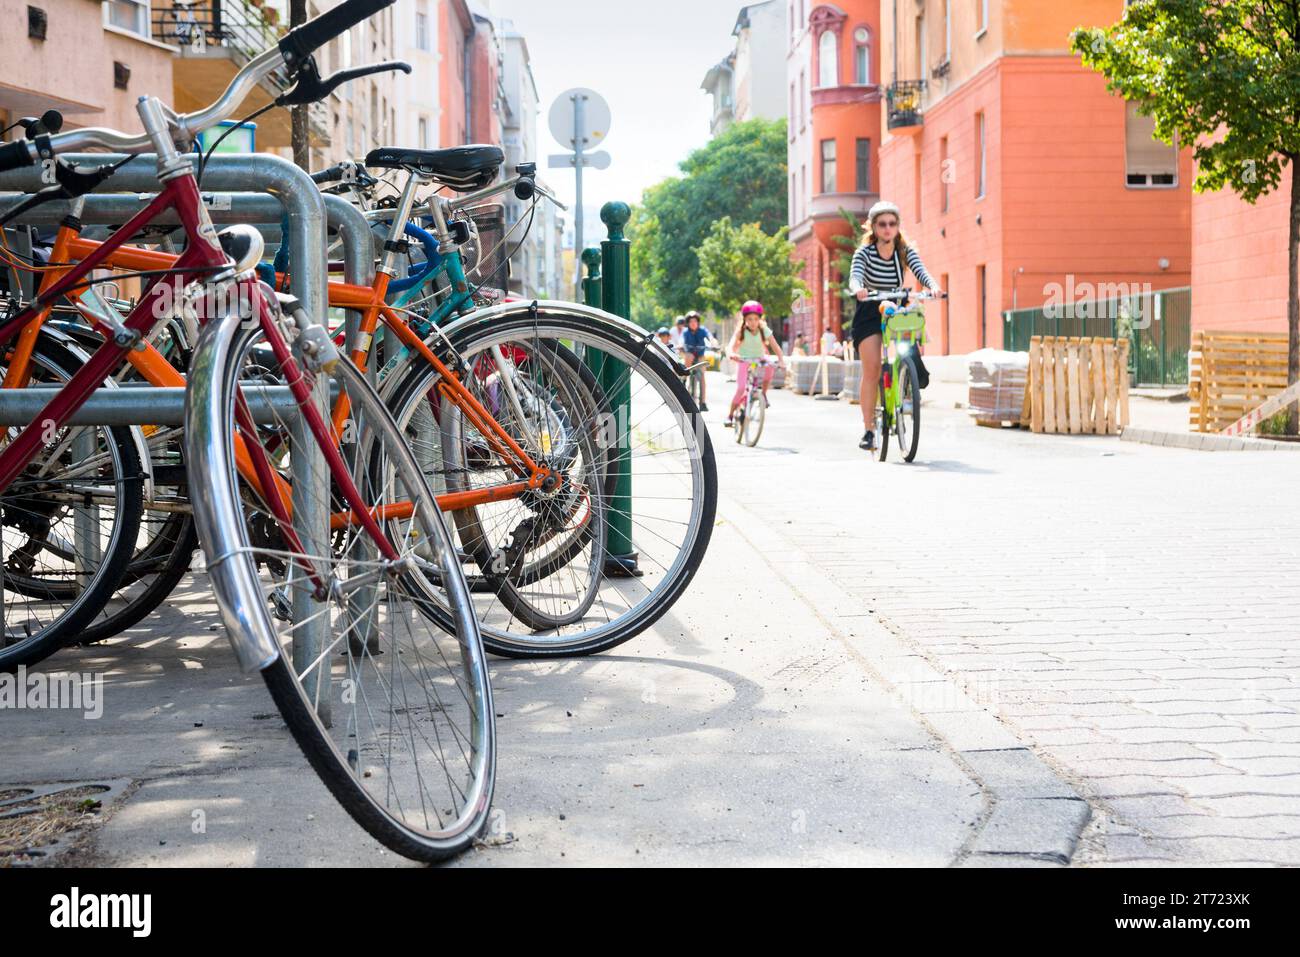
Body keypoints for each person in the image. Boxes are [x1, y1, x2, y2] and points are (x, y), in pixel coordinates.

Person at [848, 200, 946, 452]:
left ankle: (908, 376)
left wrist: (933, 287)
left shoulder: (904, 250)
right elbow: (856, 274)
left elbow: (921, 271)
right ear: (873, 227)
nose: (888, 228)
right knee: (871, 370)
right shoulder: (864, 253)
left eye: (892, 224)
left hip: (896, 305)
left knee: (907, 349)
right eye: (882, 224)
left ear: (897, 226)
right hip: (869, 307)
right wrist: (858, 288)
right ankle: (869, 429)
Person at [725, 300, 786, 427]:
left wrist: (781, 360)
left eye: (755, 319)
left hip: (759, 358)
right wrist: (731, 354)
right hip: (744, 360)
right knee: (741, 388)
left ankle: (763, 394)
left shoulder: (764, 330)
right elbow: (730, 346)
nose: (753, 322)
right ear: (745, 319)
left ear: (760, 319)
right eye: (749, 319)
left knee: (770, 366)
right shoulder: (741, 331)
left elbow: (776, 347)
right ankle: (730, 415)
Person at [680, 310, 714, 411]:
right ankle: (684, 378)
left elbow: (710, 338)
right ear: (688, 323)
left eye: (695, 321)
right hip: (689, 355)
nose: (693, 323)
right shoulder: (685, 332)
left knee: (702, 377)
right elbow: (681, 341)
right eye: (691, 321)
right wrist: (680, 346)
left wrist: (713, 343)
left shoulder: (703, 330)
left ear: (698, 322)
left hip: (700, 355)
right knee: (689, 356)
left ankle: (702, 402)